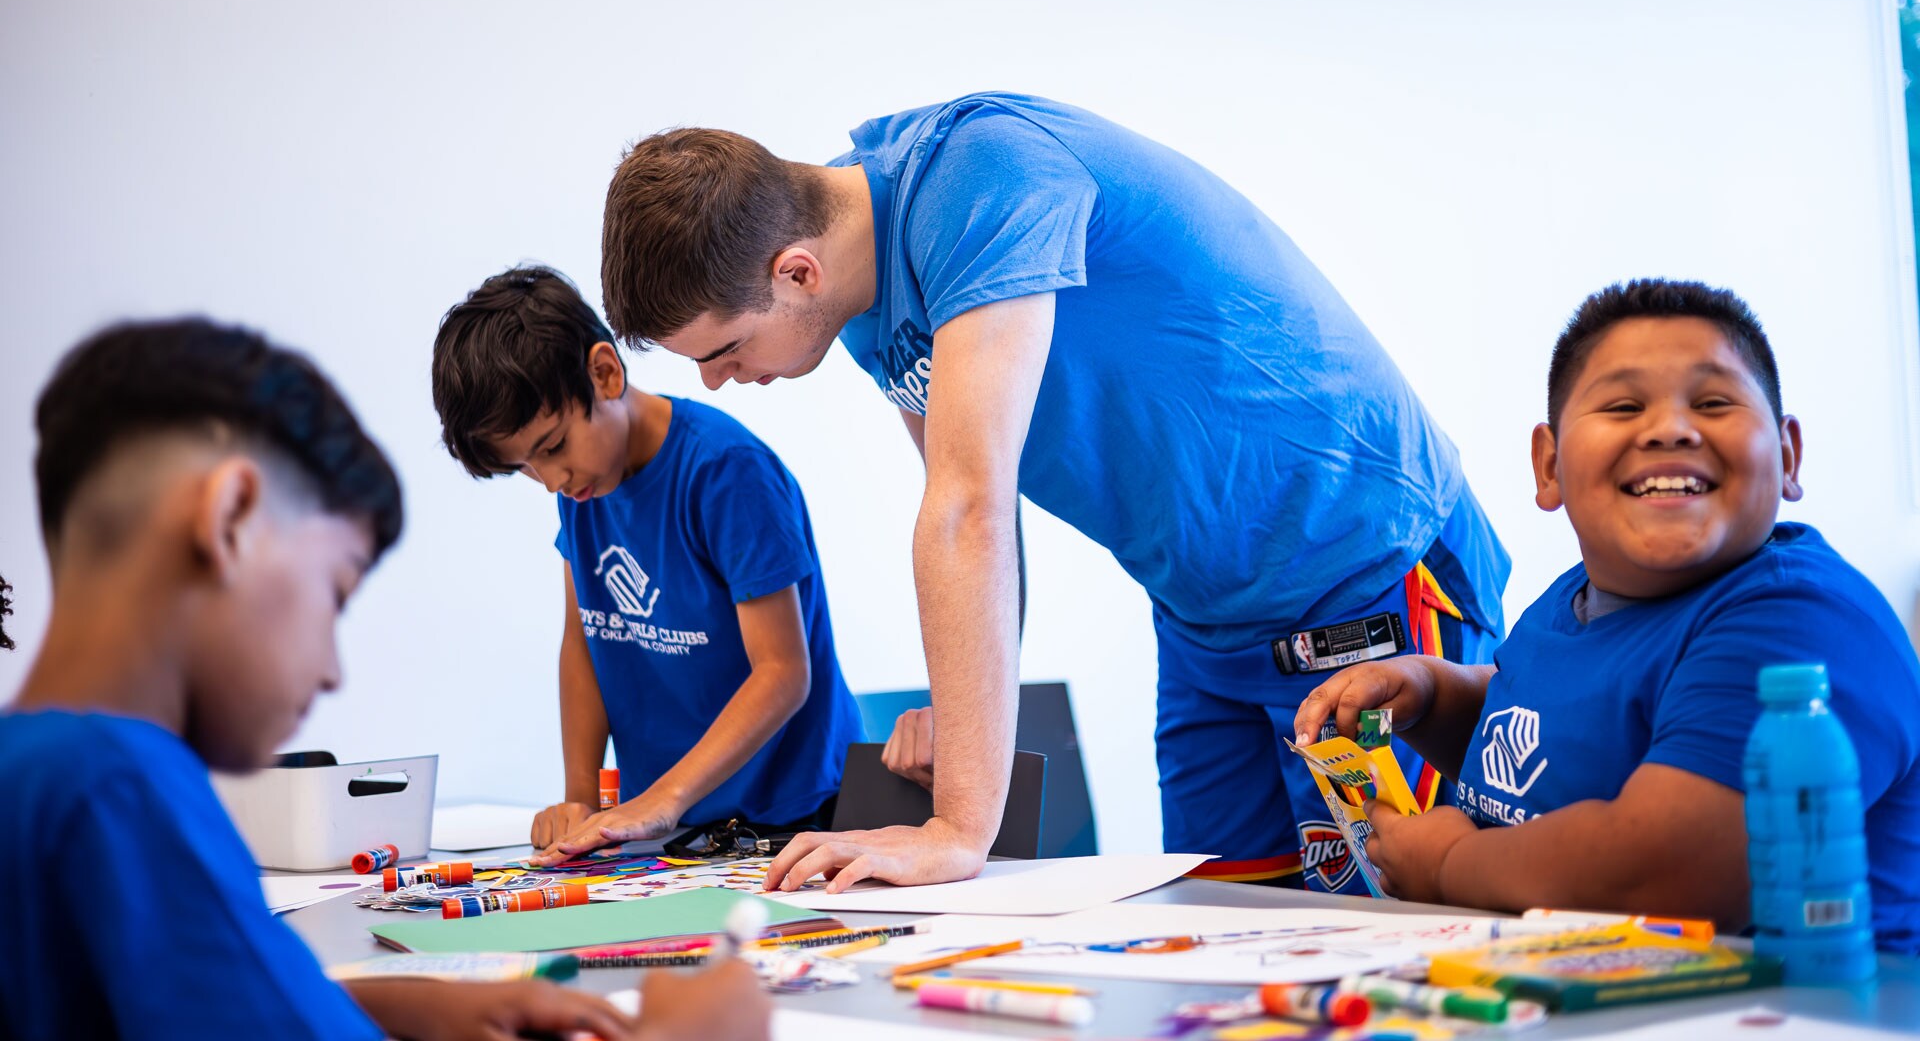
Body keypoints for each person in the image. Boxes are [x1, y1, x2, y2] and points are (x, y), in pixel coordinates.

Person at [598, 92, 1510, 894]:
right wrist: (964, 722)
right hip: (1203, 623)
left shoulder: (983, 175)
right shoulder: (856, 286)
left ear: (797, 271)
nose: (715, 382)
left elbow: (969, 508)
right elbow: (977, 496)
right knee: (1233, 940)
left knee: (1396, 939)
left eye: (724, 350)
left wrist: (958, 827)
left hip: (1363, 572)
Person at [0, 317, 770, 1039]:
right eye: (331, 593)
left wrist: (410, 1005)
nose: (331, 672)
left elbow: (237, 1005)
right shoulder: (120, 795)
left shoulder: (41, 772)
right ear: (230, 519)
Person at [1294, 279, 1920, 952]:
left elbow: (1667, 870)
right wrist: (1432, 694)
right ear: (1550, 466)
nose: (1671, 428)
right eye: (1624, 406)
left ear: (1789, 455)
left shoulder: (1798, 620)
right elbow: (1549, 739)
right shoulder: (1575, 597)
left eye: (1713, 402)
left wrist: (1450, 866)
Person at [432, 266, 861, 862]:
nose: (550, 479)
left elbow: (784, 673)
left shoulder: (725, 472)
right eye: (524, 466)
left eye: (552, 447)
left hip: (794, 820)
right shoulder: (583, 486)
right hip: (672, 830)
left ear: (605, 373)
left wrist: (664, 797)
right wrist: (580, 798)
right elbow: (584, 640)